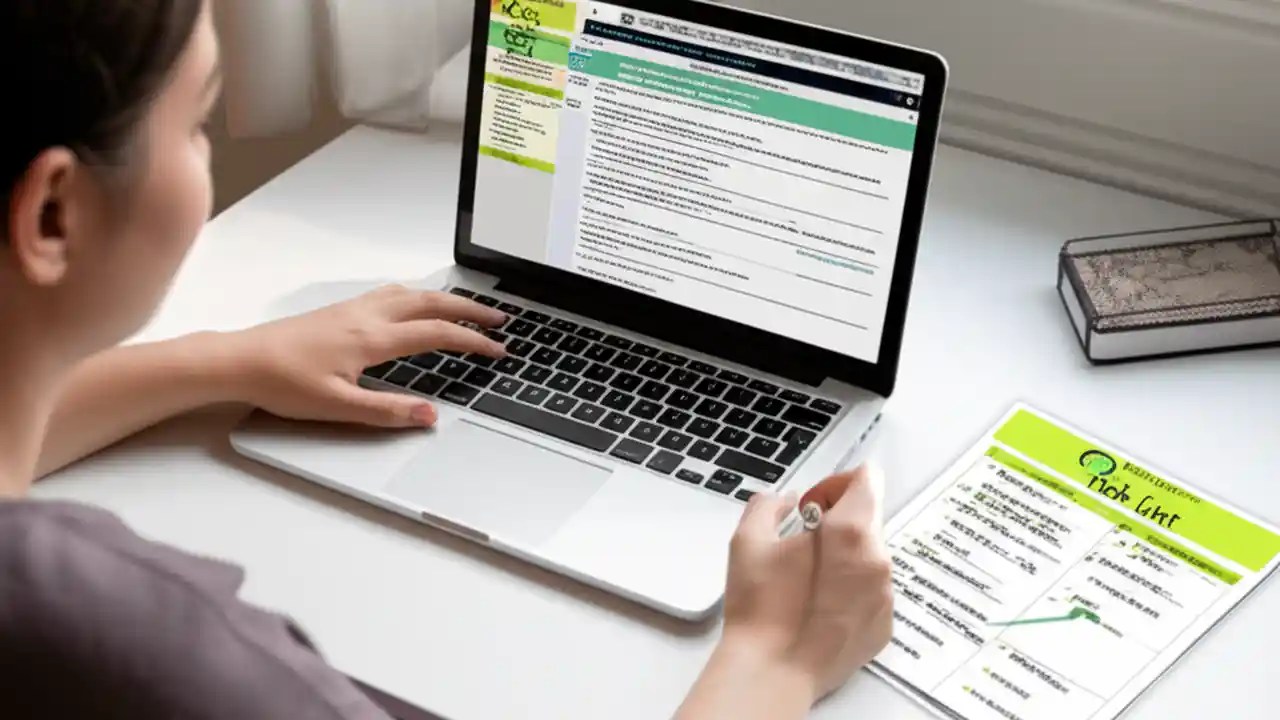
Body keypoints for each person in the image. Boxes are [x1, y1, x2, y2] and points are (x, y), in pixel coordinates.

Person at [0, 2, 893, 718]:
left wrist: (228, 359)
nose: (206, 151)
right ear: (52, 215)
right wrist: (775, 664)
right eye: (198, 121)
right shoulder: (115, 631)